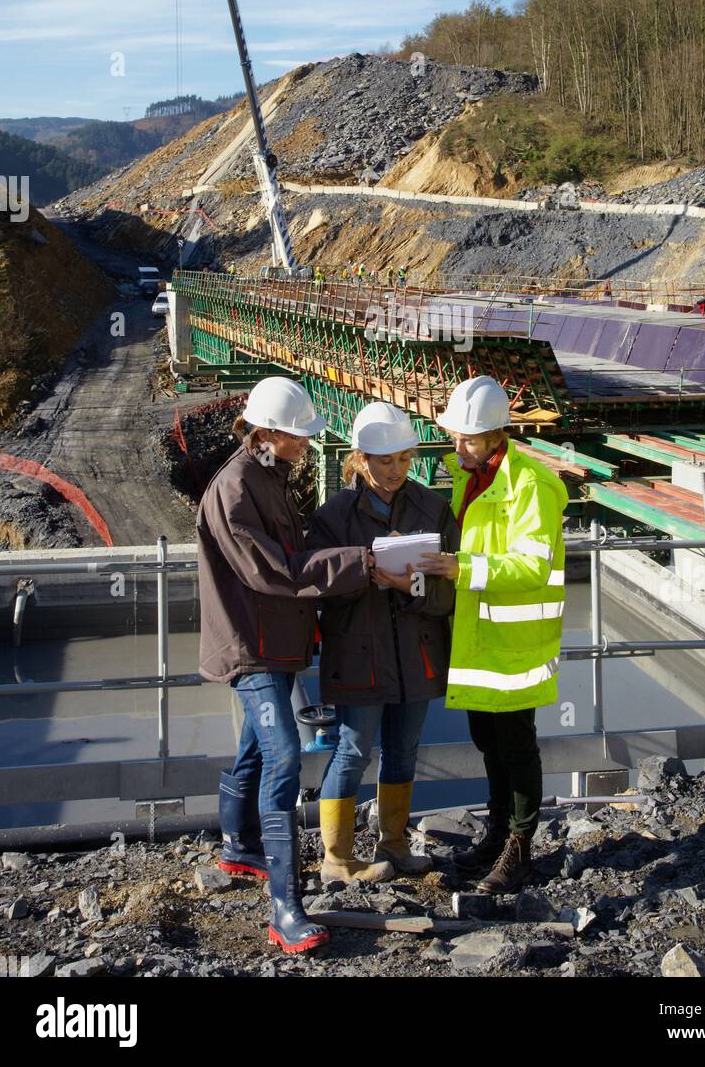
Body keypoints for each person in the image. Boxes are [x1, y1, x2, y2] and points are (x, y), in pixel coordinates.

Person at [196, 377, 371, 954]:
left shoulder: (267, 476)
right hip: (252, 647)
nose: (305, 446)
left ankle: (240, 846)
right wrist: (362, 563)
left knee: (255, 746)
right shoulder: (237, 487)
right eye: (298, 436)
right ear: (267, 432)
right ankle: (285, 907)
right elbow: (274, 571)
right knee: (284, 755)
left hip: (273, 640)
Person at [420, 376, 568, 894]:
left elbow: (532, 565)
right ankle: (498, 831)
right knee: (488, 740)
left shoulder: (530, 485)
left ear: (497, 435)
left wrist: (459, 568)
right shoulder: (473, 476)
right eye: (455, 436)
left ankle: (520, 848)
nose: (457, 446)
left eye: (469, 438)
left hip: (517, 641)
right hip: (480, 636)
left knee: (516, 743)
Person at [306, 403, 459, 882]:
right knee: (352, 748)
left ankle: (393, 845)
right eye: (385, 460)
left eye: (404, 460)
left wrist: (407, 585)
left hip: (415, 651)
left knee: (403, 749)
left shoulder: (432, 508)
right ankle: (337, 857)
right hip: (360, 654)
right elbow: (317, 587)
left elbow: (450, 591)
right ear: (360, 459)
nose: (396, 471)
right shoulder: (333, 517)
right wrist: (365, 568)